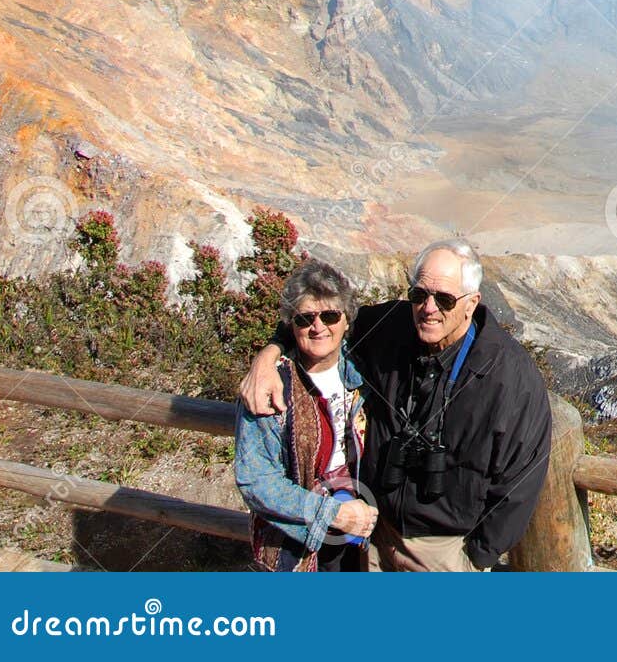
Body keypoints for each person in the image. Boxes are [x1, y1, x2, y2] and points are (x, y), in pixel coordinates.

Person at [240, 239, 552, 571]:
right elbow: (319, 321)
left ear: (471, 303)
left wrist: (478, 556)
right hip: (374, 536)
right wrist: (268, 354)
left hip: (444, 550)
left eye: (445, 299)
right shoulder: (391, 326)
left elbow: (522, 478)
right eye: (419, 295)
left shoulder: (508, 374)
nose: (429, 308)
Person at [233, 259, 378, 571]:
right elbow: (255, 479)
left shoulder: (361, 371)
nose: (318, 326)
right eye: (305, 318)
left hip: (357, 529)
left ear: (347, 320)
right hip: (292, 544)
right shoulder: (271, 387)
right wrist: (331, 513)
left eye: (329, 315)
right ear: (291, 324)